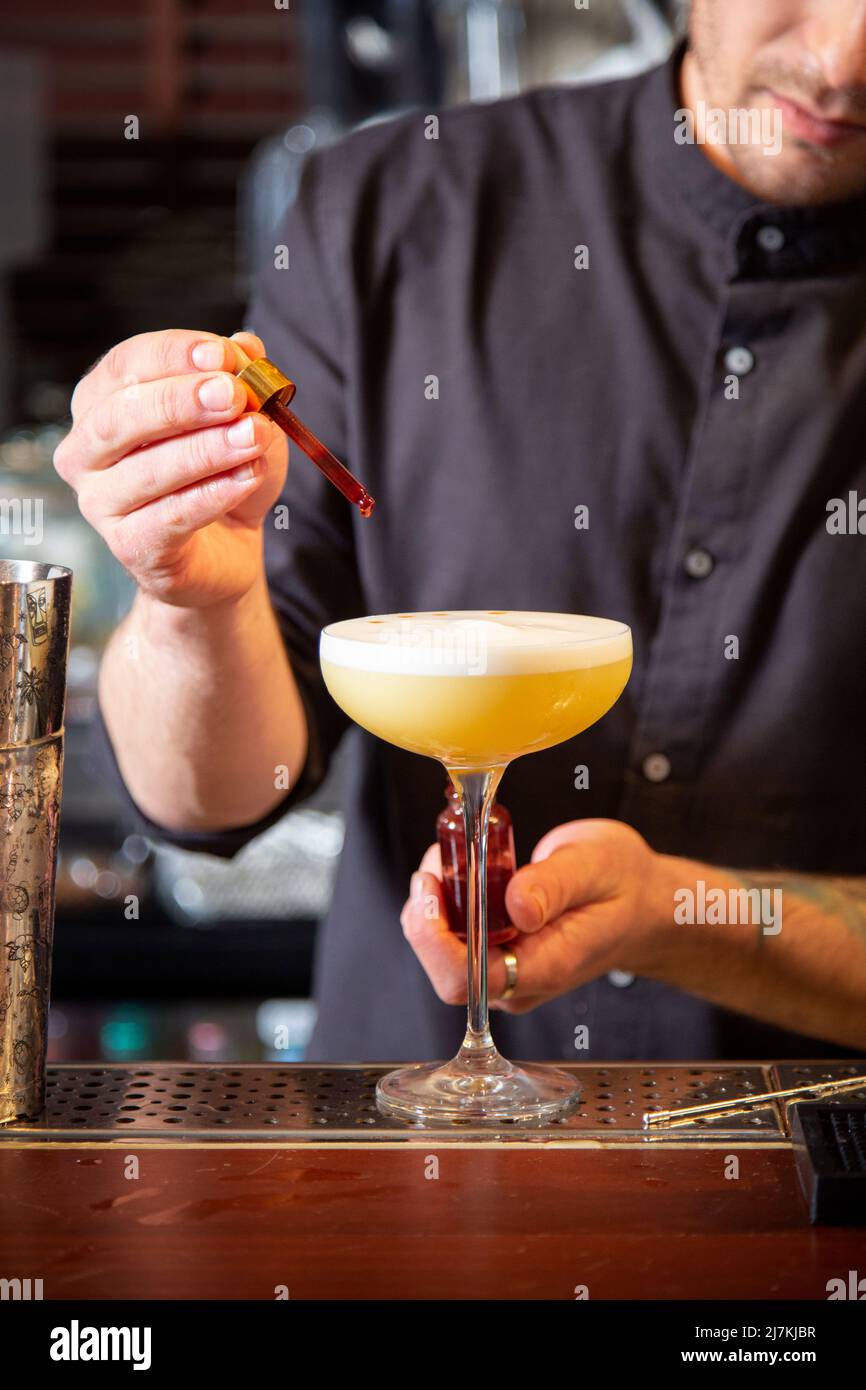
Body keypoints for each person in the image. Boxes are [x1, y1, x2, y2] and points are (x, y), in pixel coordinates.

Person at [54, 0, 866, 1063]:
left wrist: (679, 917)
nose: (841, 60)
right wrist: (193, 603)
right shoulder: (396, 206)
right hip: (405, 1141)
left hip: (808, 1153)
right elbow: (216, 799)